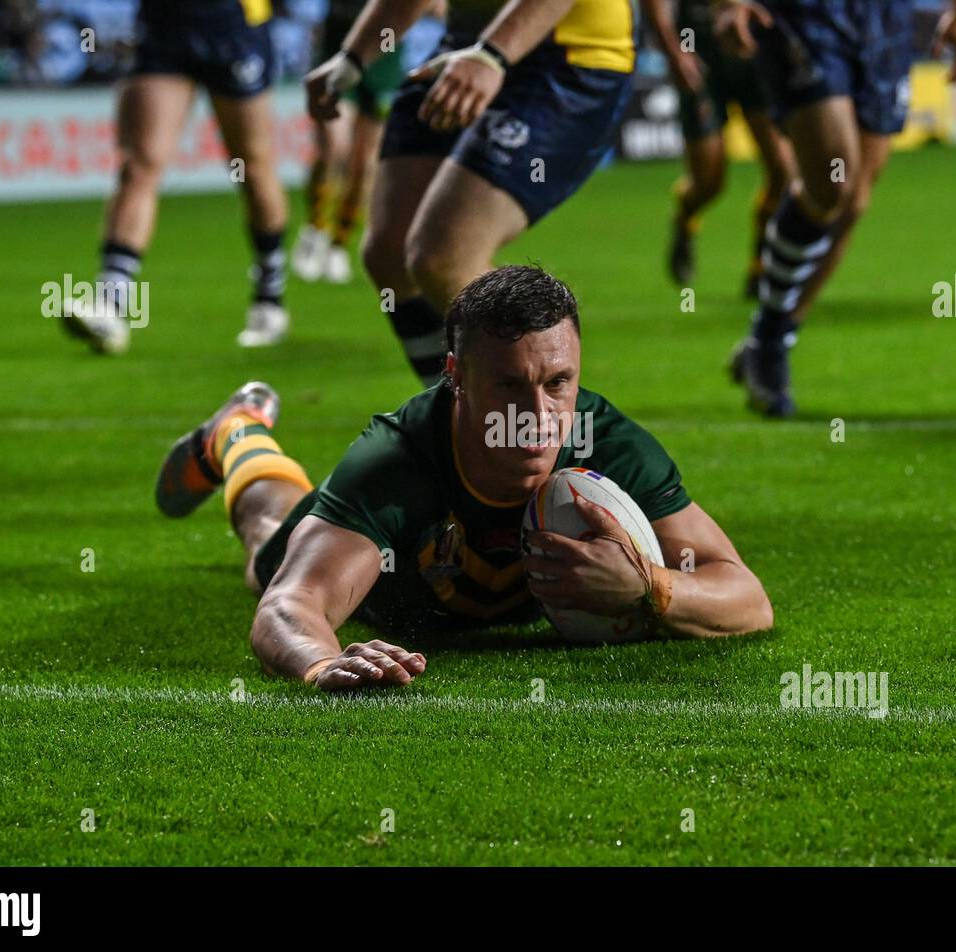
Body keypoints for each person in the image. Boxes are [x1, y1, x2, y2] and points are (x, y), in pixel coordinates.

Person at [154, 266, 773, 690]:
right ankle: (237, 434)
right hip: (390, 601)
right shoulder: (399, 459)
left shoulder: (606, 443)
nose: (537, 418)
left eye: (558, 384)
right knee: (267, 542)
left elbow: (748, 599)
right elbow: (287, 607)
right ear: (455, 375)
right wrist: (324, 663)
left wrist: (652, 587)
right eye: (509, 386)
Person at [305, 0, 638, 386]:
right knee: (389, 251)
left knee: (443, 255)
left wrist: (492, 56)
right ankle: (455, 416)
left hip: (568, 56)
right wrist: (353, 58)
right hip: (468, 47)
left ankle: (547, 427)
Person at [718, 0, 956, 416]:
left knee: (853, 200)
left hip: (885, 20)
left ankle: (771, 338)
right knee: (832, 181)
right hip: (803, 16)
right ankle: (770, 338)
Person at [61, 0, 291, 354]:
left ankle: (269, 296)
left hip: (235, 25)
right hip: (165, 26)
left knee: (251, 165)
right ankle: (111, 305)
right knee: (139, 164)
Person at [642, 0, 799, 295]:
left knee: (784, 169)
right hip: (700, 56)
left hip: (753, 52)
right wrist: (674, 53)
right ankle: (686, 218)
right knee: (709, 183)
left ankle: (761, 266)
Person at [291, 1, 446, 284]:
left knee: (365, 162)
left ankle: (340, 243)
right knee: (334, 146)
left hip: (386, 56)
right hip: (341, 45)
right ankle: (316, 229)